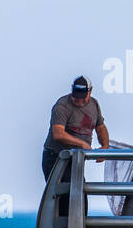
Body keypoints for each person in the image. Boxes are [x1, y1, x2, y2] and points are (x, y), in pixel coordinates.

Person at [42, 77, 109, 219]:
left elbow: (101, 127)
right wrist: (82, 144)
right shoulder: (62, 106)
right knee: (64, 201)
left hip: (76, 161)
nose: (78, 100)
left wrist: (104, 146)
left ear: (90, 92)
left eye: (82, 98)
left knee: (80, 200)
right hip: (57, 158)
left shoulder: (94, 104)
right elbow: (58, 134)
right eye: (75, 97)